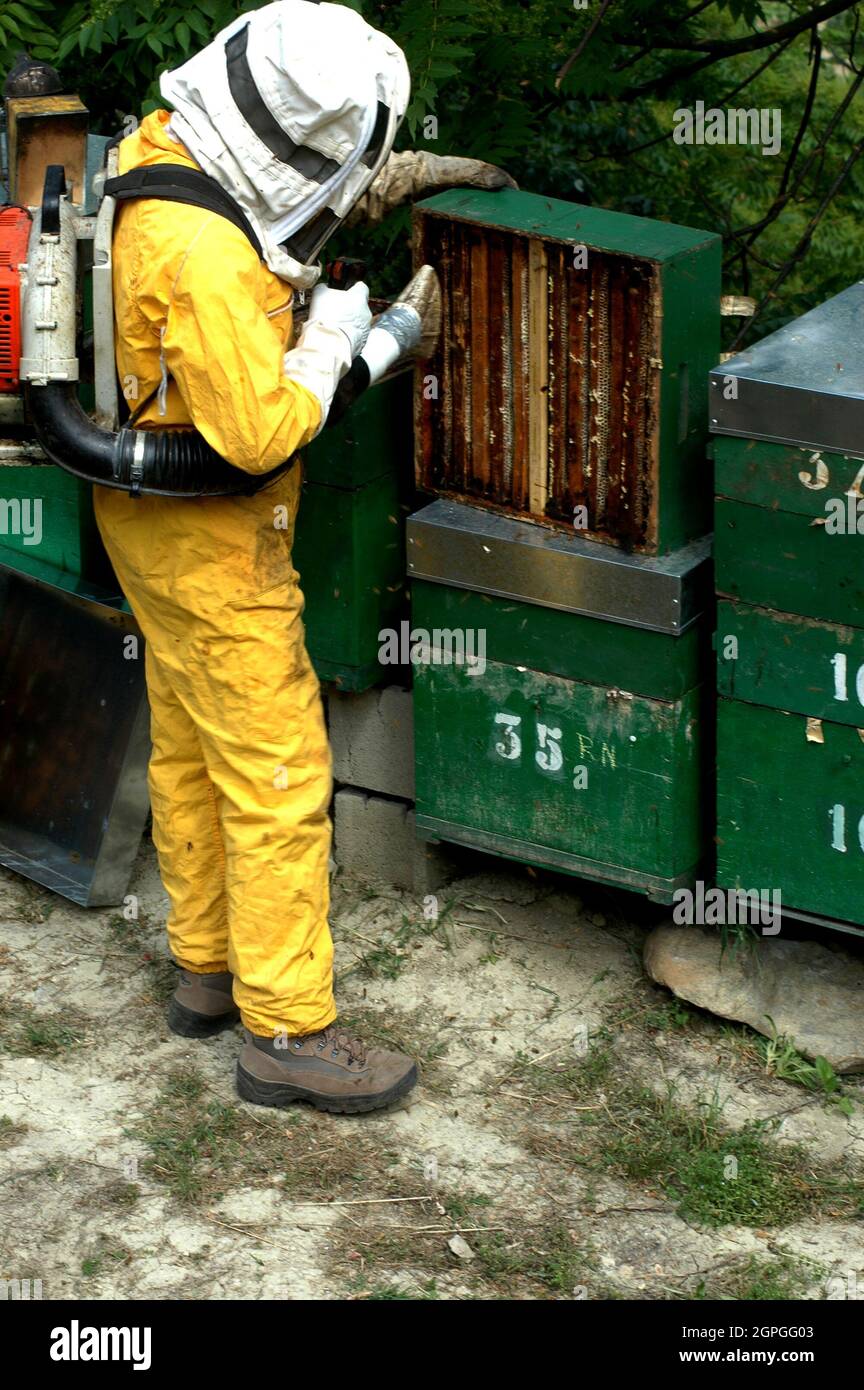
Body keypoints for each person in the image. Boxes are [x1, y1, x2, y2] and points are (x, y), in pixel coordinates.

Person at [94, 0, 513, 1115]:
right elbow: (260, 431)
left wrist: (378, 175)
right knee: (278, 772)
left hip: (140, 525)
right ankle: (288, 1029)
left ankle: (207, 967)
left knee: (189, 737)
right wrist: (362, 341)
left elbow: (263, 218)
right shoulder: (206, 259)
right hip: (212, 541)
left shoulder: (160, 149)